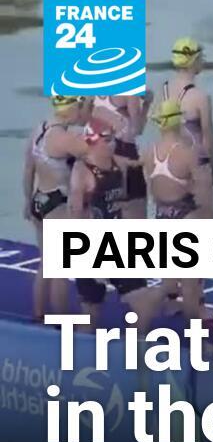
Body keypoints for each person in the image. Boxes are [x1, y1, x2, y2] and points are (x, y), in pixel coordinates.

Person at [68, 117, 161, 330]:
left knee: (143, 303)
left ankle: (135, 351)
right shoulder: (81, 173)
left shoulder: (117, 163)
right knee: (91, 314)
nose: (113, 144)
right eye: (108, 140)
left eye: (113, 140)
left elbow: (140, 163)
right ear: (93, 141)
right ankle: (81, 355)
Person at [22, 95, 90, 320]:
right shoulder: (64, 138)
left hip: (39, 199)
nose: (81, 113)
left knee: (46, 263)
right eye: (80, 108)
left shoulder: (39, 129)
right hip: (57, 205)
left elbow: (28, 169)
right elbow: (97, 152)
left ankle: (39, 313)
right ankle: (61, 318)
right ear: (71, 110)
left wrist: (26, 201)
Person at [144, 100, 211, 322]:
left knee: (168, 283)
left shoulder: (148, 153)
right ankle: (197, 339)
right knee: (191, 286)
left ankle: (142, 318)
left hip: (162, 216)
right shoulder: (187, 154)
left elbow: (152, 191)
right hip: (186, 218)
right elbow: (204, 195)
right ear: (178, 121)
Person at [163, 37, 213, 211]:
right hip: (196, 164)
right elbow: (208, 139)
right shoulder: (200, 97)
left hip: (168, 162)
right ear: (194, 60)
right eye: (201, 58)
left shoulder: (164, 90)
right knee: (205, 217)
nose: (204, 61)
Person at [92, 92, 153, 219]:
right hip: (125, 150)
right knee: (135, 206)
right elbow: (137, 129)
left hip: (102, 152)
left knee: (108, 206)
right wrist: (147, 103)